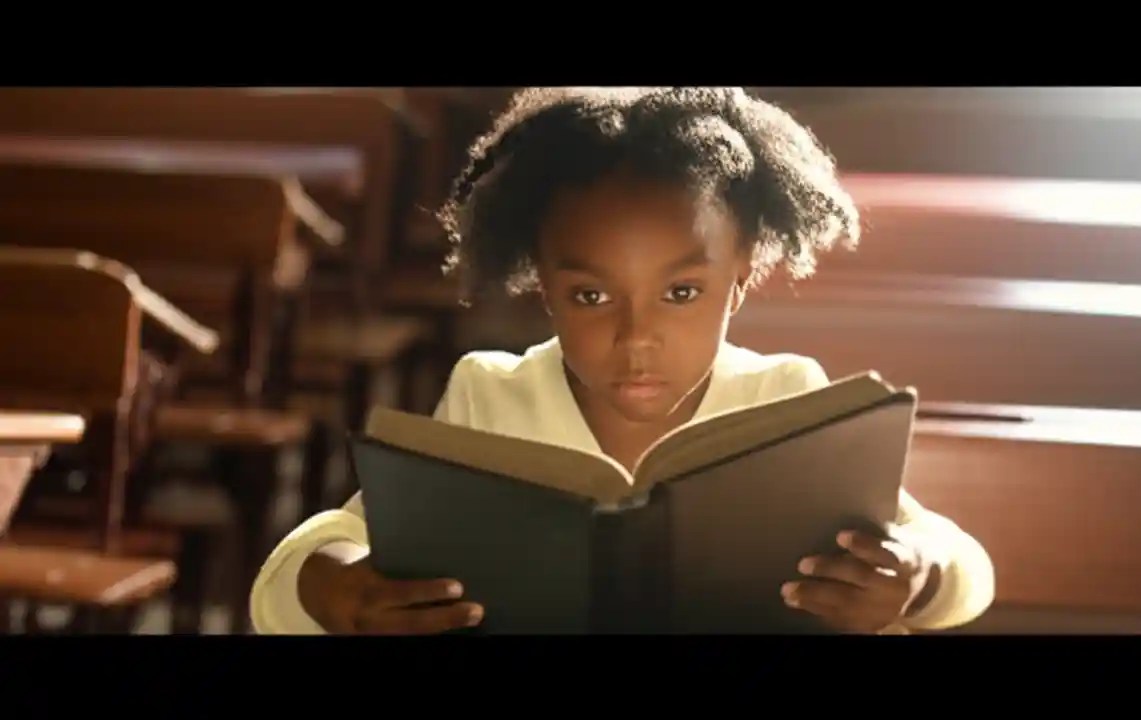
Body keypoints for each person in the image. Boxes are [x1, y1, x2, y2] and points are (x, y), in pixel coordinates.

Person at [250, 87, 995, 635]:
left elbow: (960, 563)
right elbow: (310, 555)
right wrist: (338, 588)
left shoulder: (789, 400)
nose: (637, 338)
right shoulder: (486, 398)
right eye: (590, 295)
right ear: (541, 283)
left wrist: (916, 576)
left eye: (680, 291)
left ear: (741, 276)